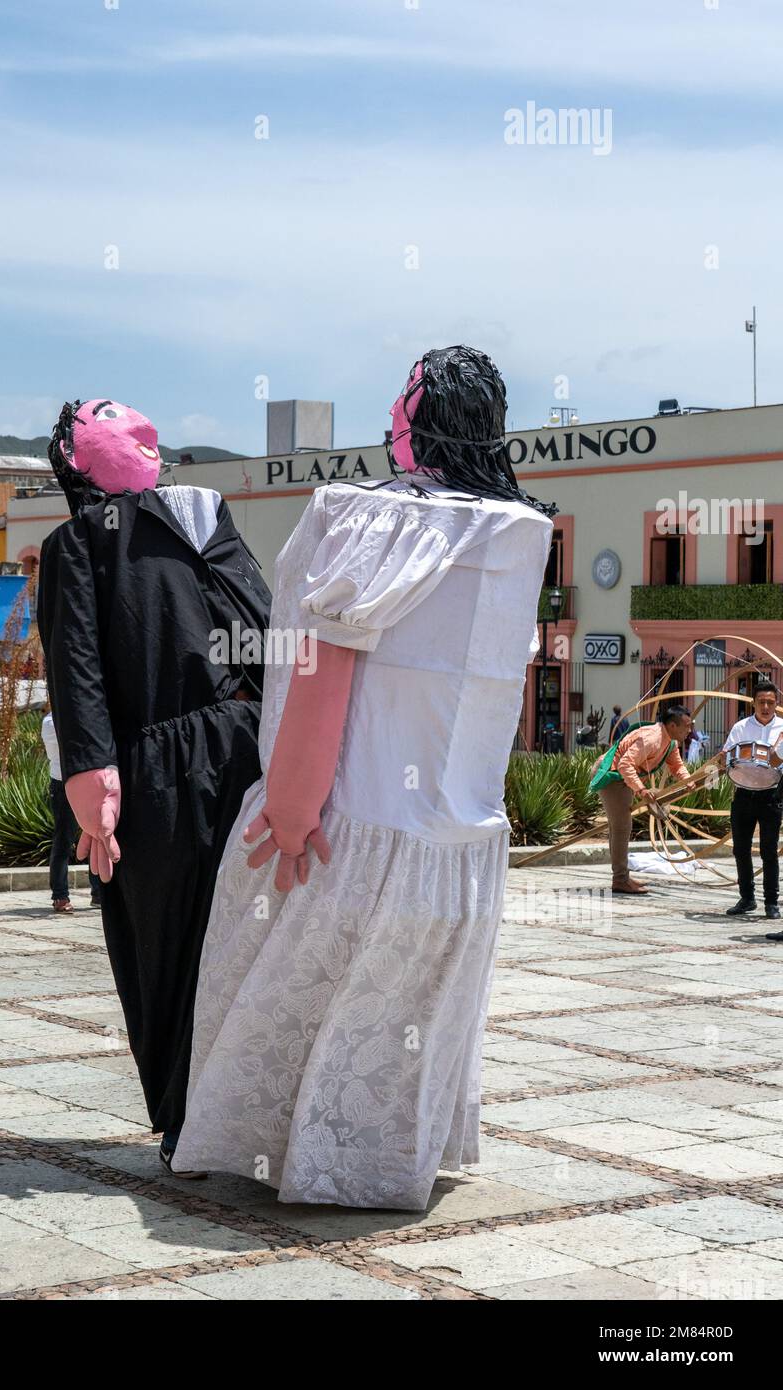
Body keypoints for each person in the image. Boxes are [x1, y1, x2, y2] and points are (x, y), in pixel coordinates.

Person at [173, 345, 557, 1209]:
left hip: (351, 816)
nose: (391, 413)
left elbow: (323, 659)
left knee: (295, 997)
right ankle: (375, 1157)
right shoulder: (521, 531)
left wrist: (294, 804)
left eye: (405, 398)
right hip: (455, 831)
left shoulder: (373, 517)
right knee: (399, 1019)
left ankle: (291, 1147)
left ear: (428, 416)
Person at [36, 397, 271, 1174]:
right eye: (112, 422)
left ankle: (215, 1114)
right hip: (191, 762)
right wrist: (93, 777)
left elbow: (261, 625)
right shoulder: (103, 540)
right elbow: (79, 667)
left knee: (208, 938)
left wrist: (95, 780)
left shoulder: (184, 520)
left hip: (209, 758)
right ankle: (196, 1116)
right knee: (189, 941)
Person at [590, 705, 693, 895]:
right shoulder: (651, 738)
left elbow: (676, 765)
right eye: (686, 726)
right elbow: (624, 764)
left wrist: (688, 780)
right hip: (612, 775)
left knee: (619, 826)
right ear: (672, 725)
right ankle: (620, 879)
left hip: (625, 777)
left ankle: (621, 877)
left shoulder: (670, 742)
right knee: (621, 826)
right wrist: (642, 789)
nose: (690, 730)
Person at [723, 679, 783, 925]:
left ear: (777, 703)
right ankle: (747, 898)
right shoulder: (740, 727)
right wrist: (726, 762)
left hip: (771, 794)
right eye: (761, 702)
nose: (766, 707)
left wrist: (776, 759)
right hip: (743, 793)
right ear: (753, 703)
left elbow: (780, 765)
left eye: (770, 702)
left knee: (769, 851)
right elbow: (727, 756)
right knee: (740, 849)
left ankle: (771, 902)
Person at [41, 710, 99, 912]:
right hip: (63, 784)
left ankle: (99, 893)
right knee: (64, 840)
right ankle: (60, 896)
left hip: (86, 782)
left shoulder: (74, 717)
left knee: (95, 836)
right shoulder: (50, 721)